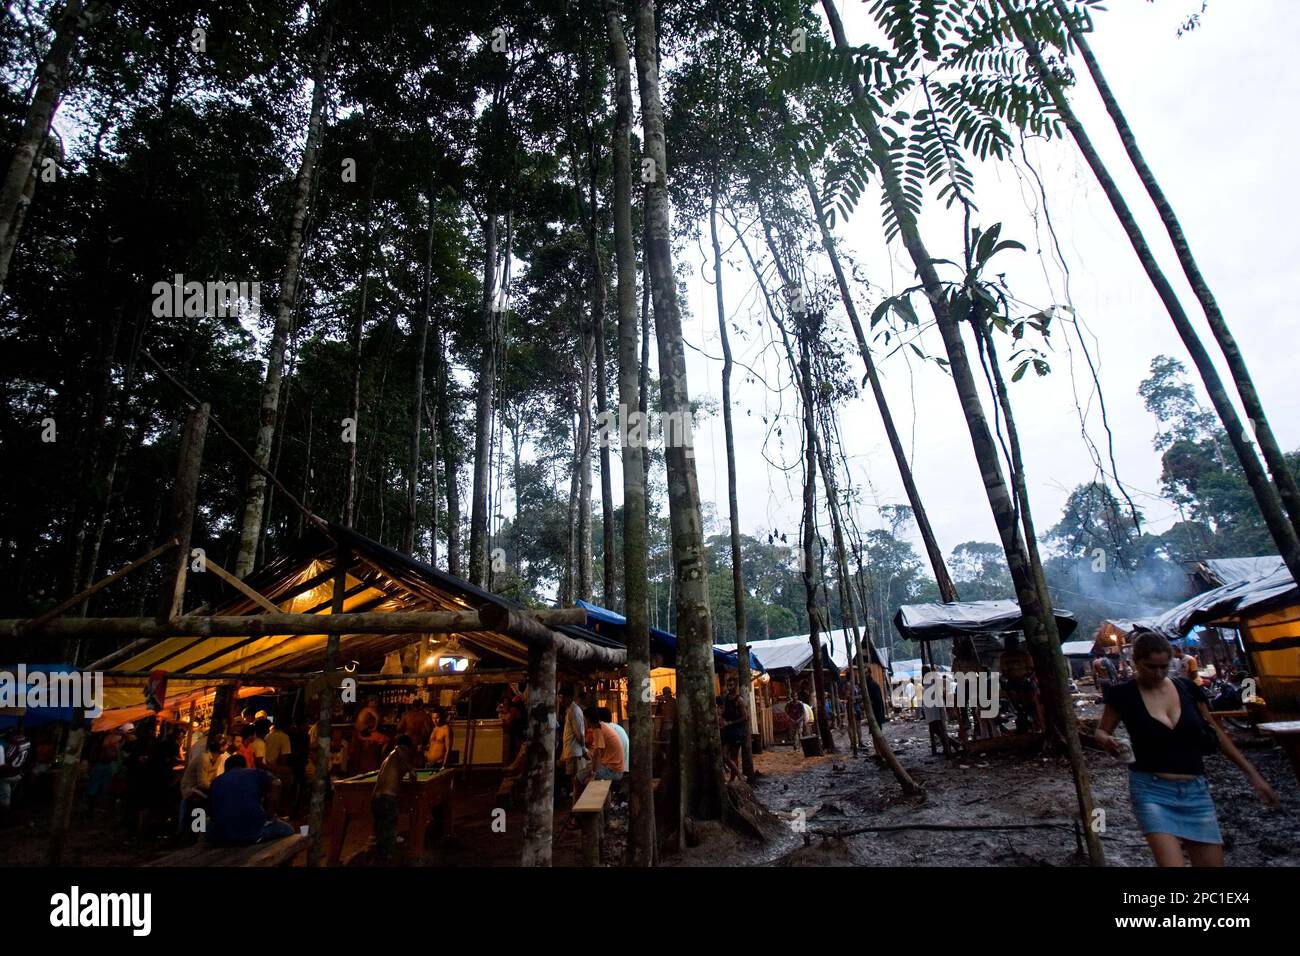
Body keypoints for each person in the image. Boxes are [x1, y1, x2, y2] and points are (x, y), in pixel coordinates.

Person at [1096, 632, 1279, 867]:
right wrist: (1107, 741)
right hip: (1152, 791)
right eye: (1151, 667)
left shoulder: (1187, 688)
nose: (1158, 673)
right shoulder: (1122, 693)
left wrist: (1252, 774)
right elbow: (1101, 731)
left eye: (1164, 667)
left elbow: (1216, 733)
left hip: (1196, 790)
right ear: (1136, 662)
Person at [207, 754, 294, 846]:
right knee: (289, 830)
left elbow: (212, 814)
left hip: (223, 836)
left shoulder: (216, 781)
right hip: (253, 833)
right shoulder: (255, 772)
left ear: (226, 768)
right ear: (245, 765)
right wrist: (271, 812)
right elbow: (277, 782)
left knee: (206, 825)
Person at [371, 736, 418, 864]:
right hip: (388, 798)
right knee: (389, 834)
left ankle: (378, 859)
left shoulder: (388, 757)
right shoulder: (403, 752)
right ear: (407, 746)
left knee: (380, 833)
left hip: (375, 798)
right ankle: (386, 860)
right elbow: (413, 774)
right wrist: (412, 773)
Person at [999, 635, 1045, 733]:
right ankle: (1018, 709)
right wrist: (1007, 678)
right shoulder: (1004, 657)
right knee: (1009, 691)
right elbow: (1004, 672)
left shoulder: (1024, 655)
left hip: (1026, 680)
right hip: (1012, 681)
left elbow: (1032, 670)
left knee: (1033, 700)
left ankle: (1038, 721)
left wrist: (1026, 678)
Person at [178, 736, 222, 838]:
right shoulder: (204, 758)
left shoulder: (218, 758)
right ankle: (194, 832)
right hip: (191, 787)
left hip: (202, 787)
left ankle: (200, 831)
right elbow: (201, 782)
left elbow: (212, 778)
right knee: (201, 801)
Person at [559, 688, 588, 805]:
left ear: (568, 697)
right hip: (571, 750)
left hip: (575, 751)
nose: (560, 700)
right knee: (575, 782)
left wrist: (583, 748)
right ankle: (576, 807)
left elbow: (579, 734)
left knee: (577, 782)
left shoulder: (574, 710)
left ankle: (577, 808)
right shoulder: (570, 710)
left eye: (561, 697)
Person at [717, 676, 749, 782]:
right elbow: (724, 711)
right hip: (728, 730)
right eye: (728, 685)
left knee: (734, 756)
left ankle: (735, 777)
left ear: (736, 686)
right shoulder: (726, 698)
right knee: (725, 755)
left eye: (731, 685)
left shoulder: (739, 700)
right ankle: (739, 775)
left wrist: (731, 722)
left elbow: (745, 716)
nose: (730, 687)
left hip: (737, 731)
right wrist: (720, 716)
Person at [583, 707, 625, 782]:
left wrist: (593, 774)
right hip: (618, 768)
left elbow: (597, 753)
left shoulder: (598, 730)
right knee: (587, 770)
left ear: (588, 720)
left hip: (613, 770)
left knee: (580, 778)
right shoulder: (603, 727)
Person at [264, 717, 294, 813]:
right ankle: (282, 809)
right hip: (275, 767)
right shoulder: (284, 737)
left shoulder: (267, 736)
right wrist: (283, 768)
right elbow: (284, 755)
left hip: (266, 766)